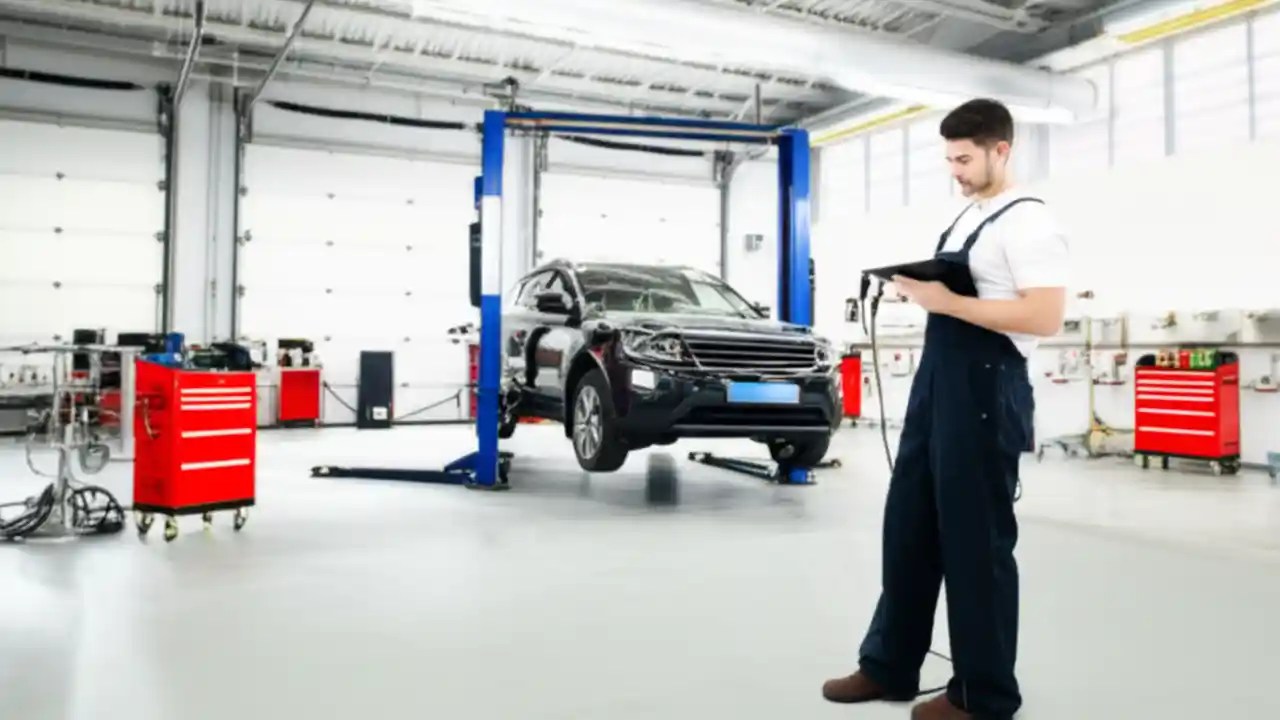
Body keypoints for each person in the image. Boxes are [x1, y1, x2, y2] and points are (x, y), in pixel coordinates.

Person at [822, 98, 1069, 720]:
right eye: (950, 159)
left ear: (1000, 150)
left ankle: (982, 695)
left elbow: (1044, 315)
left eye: (964, 158)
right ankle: (889, 664)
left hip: (987, 391)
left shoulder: (1030, 223)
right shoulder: (969, 217)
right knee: (908, 526)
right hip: (938, 387)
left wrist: (945, 302)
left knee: (975, 543)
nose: (955, 169)